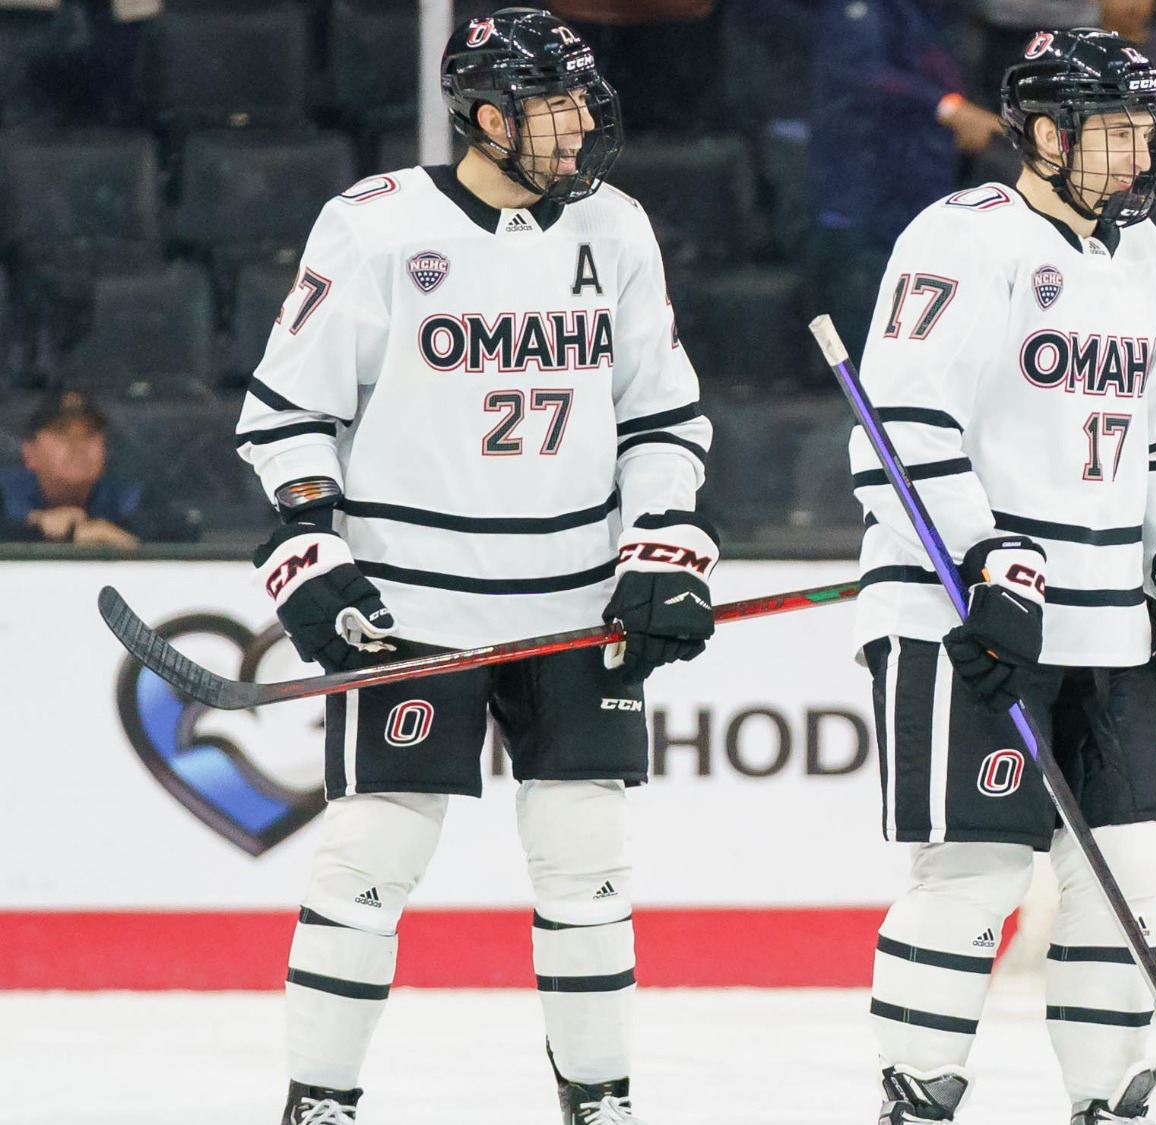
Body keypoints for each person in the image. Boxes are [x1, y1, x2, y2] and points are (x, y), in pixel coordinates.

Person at [235, 10, 715, 1124]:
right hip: (415, 603)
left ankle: (599, 1099)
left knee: (587, 869)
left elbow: (662, 418)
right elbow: (285, 415)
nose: (585, 125)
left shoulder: (619, 228)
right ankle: (321, 1101)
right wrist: (312, 551)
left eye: (586, 101)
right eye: (557, 105)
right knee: (366, 863)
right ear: (486, 116)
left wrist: (659, 545)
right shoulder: (373, 226)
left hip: (575, 601)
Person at [849, 29, 1156, 1125]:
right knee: (973, 874)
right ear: (1040, 132)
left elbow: (1145, 456)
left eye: (1139, 131)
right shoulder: (961, 236)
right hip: (964, 616)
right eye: (1110, 132)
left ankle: (1108, 1101)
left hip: (1107, 625)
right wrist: (984, 556)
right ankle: (917, 1097)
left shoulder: (1148, 259)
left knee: (1123, 880)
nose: (1133, 154)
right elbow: (897, 424)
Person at [808, 0, 1004, 352]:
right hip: (867, 175)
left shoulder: (932, 12)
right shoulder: (863, 8)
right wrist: (947, 108)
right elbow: (861, 72)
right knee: (868, 293)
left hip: (921, 174)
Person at [0, 389, 190, 546]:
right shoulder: (5, 494)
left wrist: (119, 539)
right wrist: (36, 527)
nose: (78, 446)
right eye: (62, 434)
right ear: (30, 451)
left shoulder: (130, 499)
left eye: (89, 436)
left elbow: (185, 534)